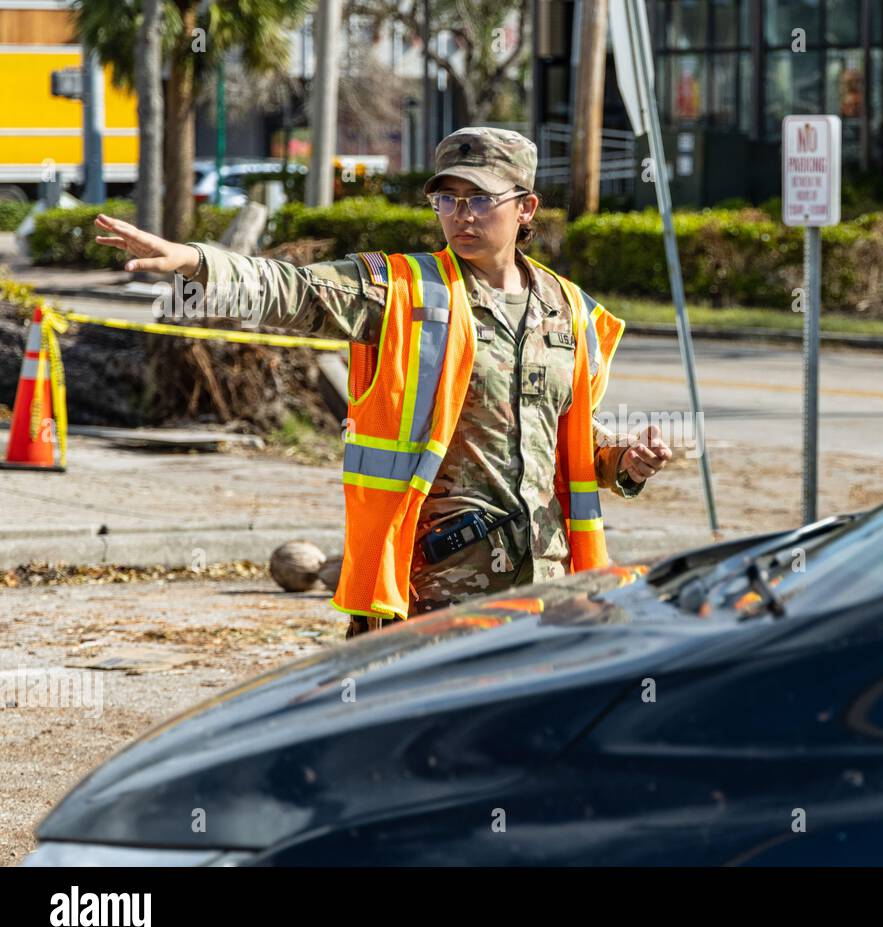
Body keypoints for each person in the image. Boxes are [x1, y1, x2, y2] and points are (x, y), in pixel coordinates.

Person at [93, 126, 672, 638]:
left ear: (526, 208)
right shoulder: (405, 291)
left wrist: (621, 460)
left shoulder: (567, 309)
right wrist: (199, 262)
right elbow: (296, 291)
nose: (461, 215)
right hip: (439, 583)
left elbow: (565, 439)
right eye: (448, 199)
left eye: (481, 200)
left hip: (546, 580)